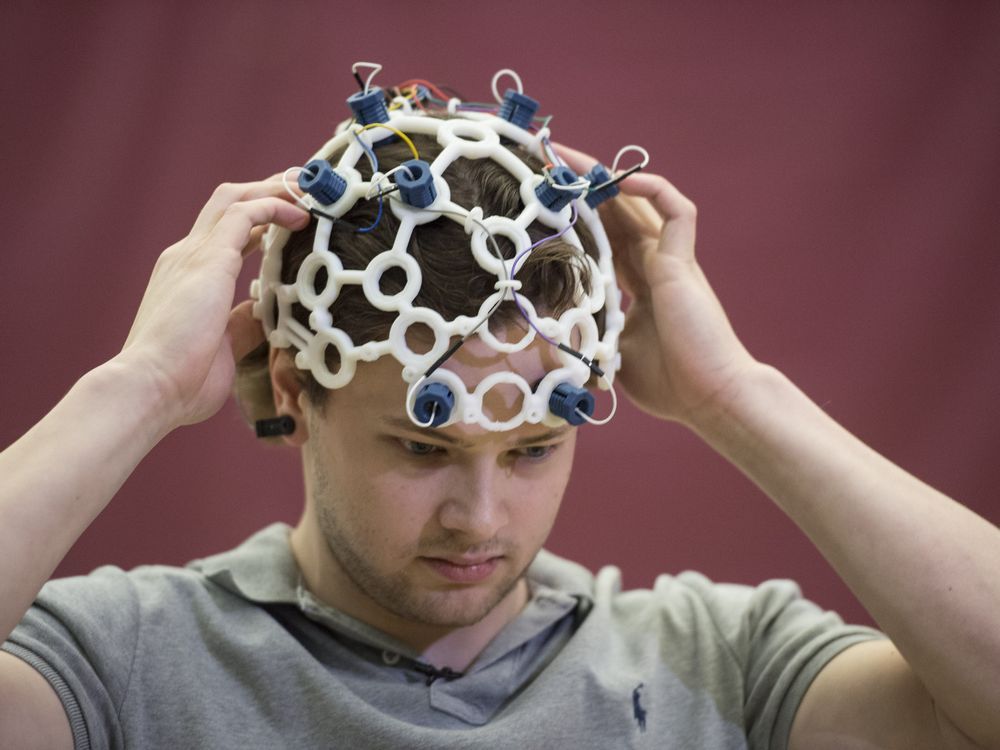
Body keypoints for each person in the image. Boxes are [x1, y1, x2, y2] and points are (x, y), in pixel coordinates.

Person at [1, 71, 999, 750]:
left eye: (533, 447)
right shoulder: (125, 659)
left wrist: (735, 397)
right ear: (299, 390)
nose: (480, 518)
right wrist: (133, 393)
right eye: (422, 444)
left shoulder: (716, 662)